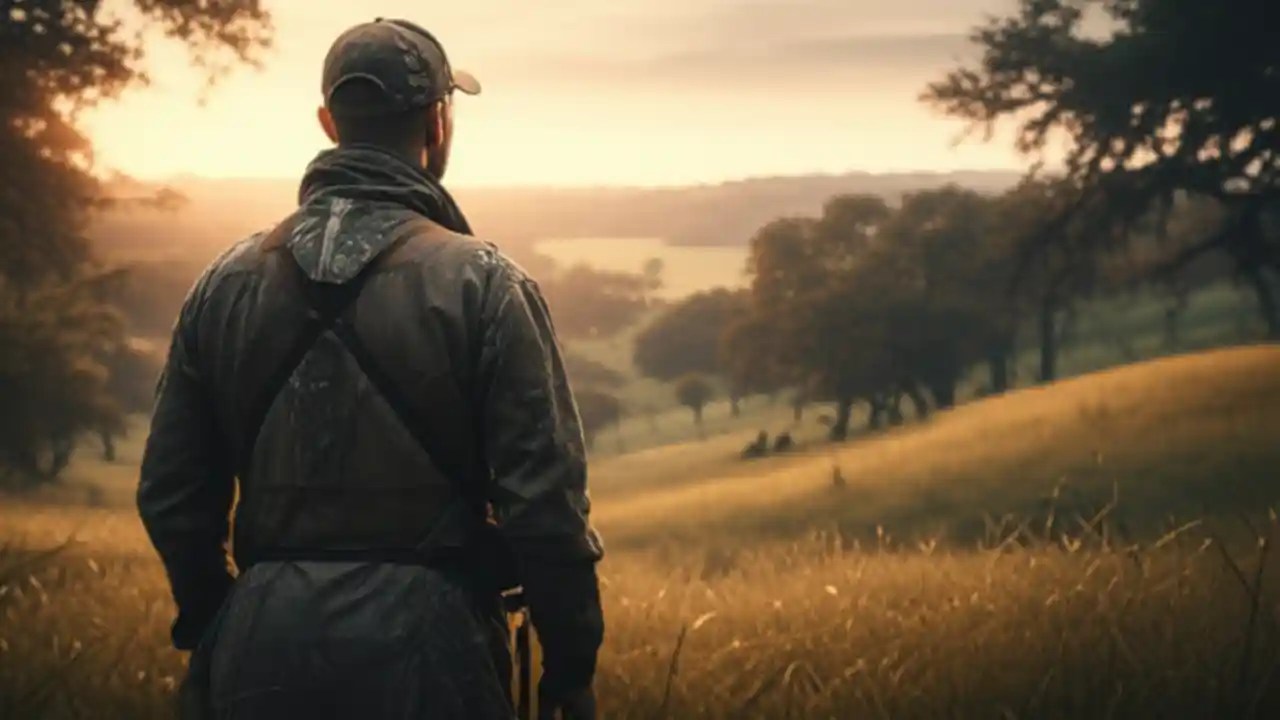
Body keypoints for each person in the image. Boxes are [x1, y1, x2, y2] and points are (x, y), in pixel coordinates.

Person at [137, 18, 603, 720]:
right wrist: (570, 667)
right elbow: (546, 511)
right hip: (433, 653)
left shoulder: (222, 285)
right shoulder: (485, 286)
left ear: (329, 123)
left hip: (257, 650)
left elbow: (171, 495)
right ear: (439, 123)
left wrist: (222, 621)